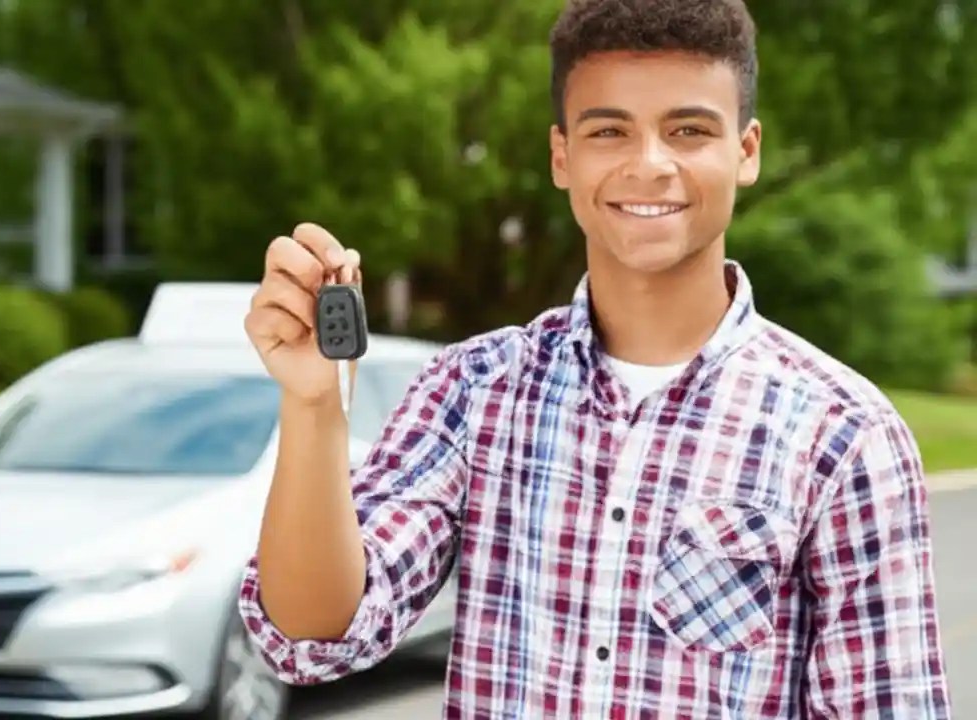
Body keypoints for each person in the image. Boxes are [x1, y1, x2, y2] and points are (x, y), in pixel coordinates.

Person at [237, 0, 953, 716]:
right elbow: (315, 635)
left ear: (746, 151)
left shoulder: (844, 433)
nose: (650, 165)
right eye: (609, 130)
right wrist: (311, 403)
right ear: (562, 156)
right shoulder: (474, 392)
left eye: (689, 130)